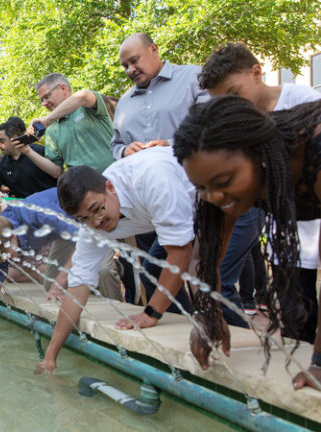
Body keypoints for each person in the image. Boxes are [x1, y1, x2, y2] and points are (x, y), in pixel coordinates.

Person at [173, 96, 321, 391]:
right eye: (201, 187)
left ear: (260, 155)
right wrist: (207, 313)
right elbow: (206, 257)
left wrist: (318, 361)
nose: (213, 197)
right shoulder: (223, 183)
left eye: (223, 181)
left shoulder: (314, 152)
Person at [37, 148, 196, 374]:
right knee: (151, 271)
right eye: (84, 218)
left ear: (110, 188)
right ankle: (183, 346)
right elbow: (77, 289)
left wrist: (150, 314)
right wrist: (50, 356)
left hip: (222, 197)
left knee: (213, 279)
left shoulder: (151, 179)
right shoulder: (92, 225)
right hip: (182, 216)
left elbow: (181, 253)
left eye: (96, 209)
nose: (96, 221)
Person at [199, 42, 321, 319]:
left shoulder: (302, 100)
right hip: (286, 241)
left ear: (257, 73)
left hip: (314, 225)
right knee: (296, 319)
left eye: (234, 94)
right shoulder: (236, 128)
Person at [0, 190, 79, 335]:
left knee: (87, 271)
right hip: (62, 234)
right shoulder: (0, 240)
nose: (5, 260)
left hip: (77, 211)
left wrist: (62, 278)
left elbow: (80, 238)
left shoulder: (31, 215)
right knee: (51, 284)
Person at [111, 33, 208, 159]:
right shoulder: (124, 103)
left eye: (134, 61)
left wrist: (171, 145)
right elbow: (115, 146)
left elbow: (214, 124)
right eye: (125, 66)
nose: (130, 70)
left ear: (153, 50)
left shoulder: (194, 78)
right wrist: (124, 151)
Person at [28, 73, 115, 175]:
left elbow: (83, 96)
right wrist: (27, 151)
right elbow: (56, 171)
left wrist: (47, 120)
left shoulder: (87, 106)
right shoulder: (52, 129)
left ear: (63, 89)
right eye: (42, 100)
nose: (44, 103)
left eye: (47, 96)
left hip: (118, 179)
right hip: (85, 188)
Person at [0, 117, 57, 198]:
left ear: (14, 138)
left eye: (2, 141)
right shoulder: (2, 166)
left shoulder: (39, 151)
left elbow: (59, 173)